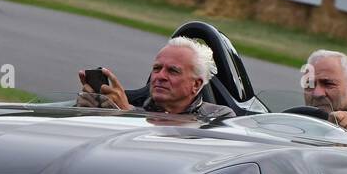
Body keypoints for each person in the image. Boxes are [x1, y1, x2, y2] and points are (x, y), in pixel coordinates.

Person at [75, 37, 234, 122]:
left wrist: (127, 115)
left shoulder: (219, 117)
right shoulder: (129, 106)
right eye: (157, 68)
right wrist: (86, 112)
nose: (160, 76)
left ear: (196, 84)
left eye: (173, 71)